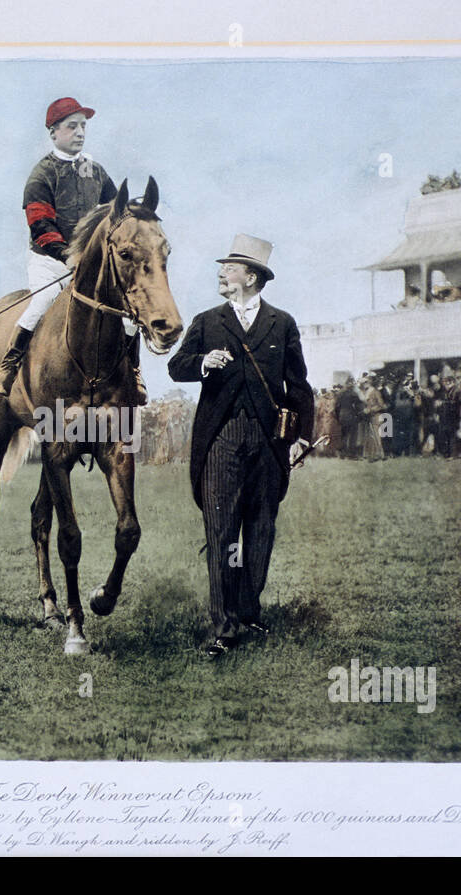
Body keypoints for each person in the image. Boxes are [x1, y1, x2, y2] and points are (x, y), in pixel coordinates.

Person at [167, 235, 313, 657]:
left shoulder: (282, 323)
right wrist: (202, 363)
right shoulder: (207, 320)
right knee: (221, 530)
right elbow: (177, 366)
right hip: (221, 438)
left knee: (261, 529)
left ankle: (248, 609)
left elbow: (299, 385)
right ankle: (224, 626)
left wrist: (300, 436)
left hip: (269, 441)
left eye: (229, 267)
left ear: (250, 277)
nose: (220, 272)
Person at [0, 97, 145, 405]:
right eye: (72, 126)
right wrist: (68, 256)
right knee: (43, 301)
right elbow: (40, 225)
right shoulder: (42, 174)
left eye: (83, 126)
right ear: (53, 132)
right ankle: (10, 363)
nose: (80, 133)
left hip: (89, 264)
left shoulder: (97, 171)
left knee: (129, 312)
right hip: (49, 261)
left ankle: (134, 370)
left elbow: (116, 215)